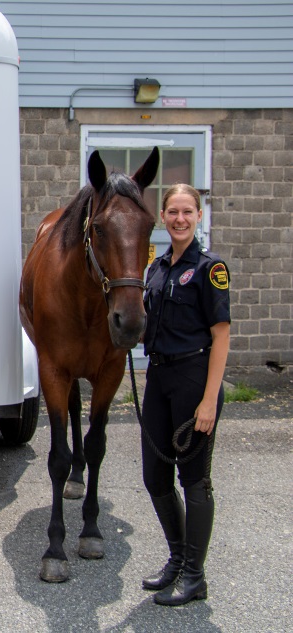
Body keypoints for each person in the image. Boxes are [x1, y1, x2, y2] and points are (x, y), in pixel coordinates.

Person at [140, 183, 230, 607]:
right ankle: (177, 560)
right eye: (172, 212)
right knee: (154, 477)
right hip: (158, 380)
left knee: (194, 481)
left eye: (187, 212)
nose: (179, 219)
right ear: (162, 217)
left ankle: (195, 577)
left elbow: (221, 335)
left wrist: (210, 399)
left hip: (195, 379)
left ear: (198, 216)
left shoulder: (211, 269)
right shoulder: (155, 268)